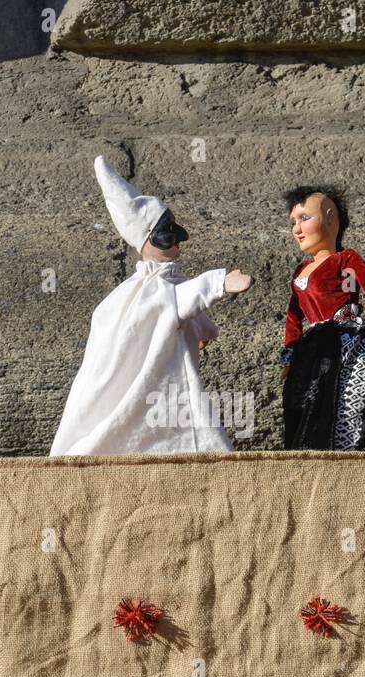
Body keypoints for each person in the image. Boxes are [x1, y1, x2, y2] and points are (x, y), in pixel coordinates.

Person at [50, 156, 252, 455]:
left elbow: (181, 305)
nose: (178, 240)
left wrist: (203, 329)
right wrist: (219, 281)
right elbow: (173, 302)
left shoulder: (167, 281)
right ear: (145, 239)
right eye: (166, 232)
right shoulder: (141, 292)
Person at [277, 186, 365, 451]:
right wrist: (289, 358)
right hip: (312, 347)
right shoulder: (301, 271)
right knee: (306, 402)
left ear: (331, 219)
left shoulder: (346, 259)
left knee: (348, 399)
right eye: (293, 222)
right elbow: (293, 317)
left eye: (305, 219)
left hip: (347, 341)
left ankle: (350, 450)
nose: (296, 229)